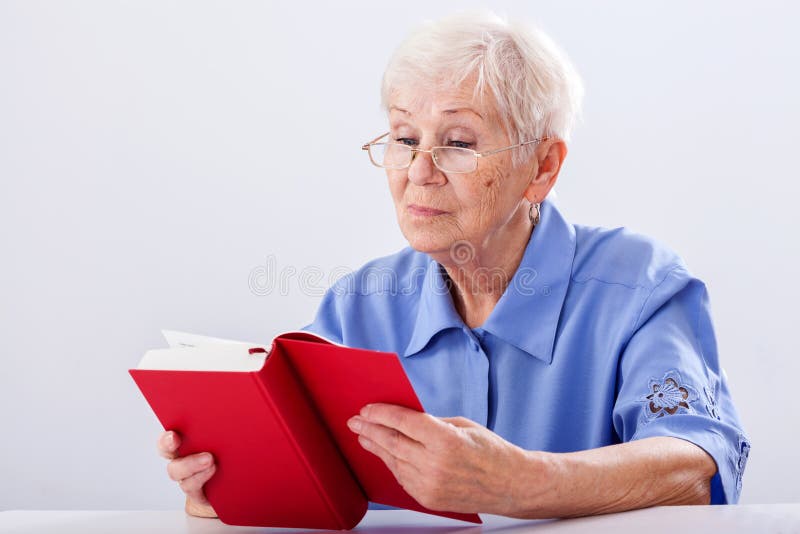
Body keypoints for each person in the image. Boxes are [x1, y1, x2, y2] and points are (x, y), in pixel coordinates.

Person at [157, 11, 749, 519]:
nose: (419, 170)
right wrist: (233, 486)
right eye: (404, 137)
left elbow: (695, 467)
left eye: (459, 142)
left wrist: (520, 482)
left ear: (542, 167)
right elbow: (314, 489)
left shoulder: (639, 285)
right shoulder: (357, 305)